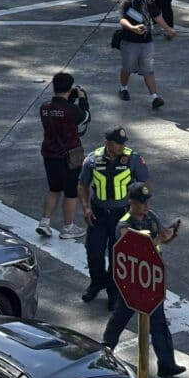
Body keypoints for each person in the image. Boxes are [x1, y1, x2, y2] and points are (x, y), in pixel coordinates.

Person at [101, 183, 186, 378]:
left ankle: (167, 364)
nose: (145, 206)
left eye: (147, 202)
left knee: (158, 323)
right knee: (121, 315)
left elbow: (162, 236)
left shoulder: (151, 216)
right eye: (141, 202)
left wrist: (171, 233)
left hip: (150, 280)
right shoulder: (124, 224)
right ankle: (105, 349)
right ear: (131, 201)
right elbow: (134, 245)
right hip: (132, 280)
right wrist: (159, 238)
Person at [78, 126, 150, 307]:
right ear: (107, 143)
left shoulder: (133, 159)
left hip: (122, 215)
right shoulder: (93, 159)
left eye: (123, 143)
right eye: (117, 144)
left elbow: (145, 185)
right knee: (94, 251)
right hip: (98, 214)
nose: (121, 147)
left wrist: (138, 209)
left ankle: (113, 290)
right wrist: (85, 207)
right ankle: (96, 283)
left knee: (117, 254)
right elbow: (82, 184)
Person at [37, 72, 90, 239]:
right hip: (70, 155)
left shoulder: (44, 107)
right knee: (70, 192)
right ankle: (68, 227)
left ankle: (44, 223)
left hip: (49, 154)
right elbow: (85, 117)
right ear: (69, 88)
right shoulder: (72, 110)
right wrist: (83, 99)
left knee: (54, 189)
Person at [118, 0, 178, 108]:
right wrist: (133, 28)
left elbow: (157, 17)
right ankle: (123, 88)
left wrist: (168, 29)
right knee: (128, 67)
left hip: (146, 42)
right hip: (130, 41)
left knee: (148, 69)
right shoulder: (127, 2)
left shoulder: (150, 2)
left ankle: (154, 97)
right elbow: (122, 19)